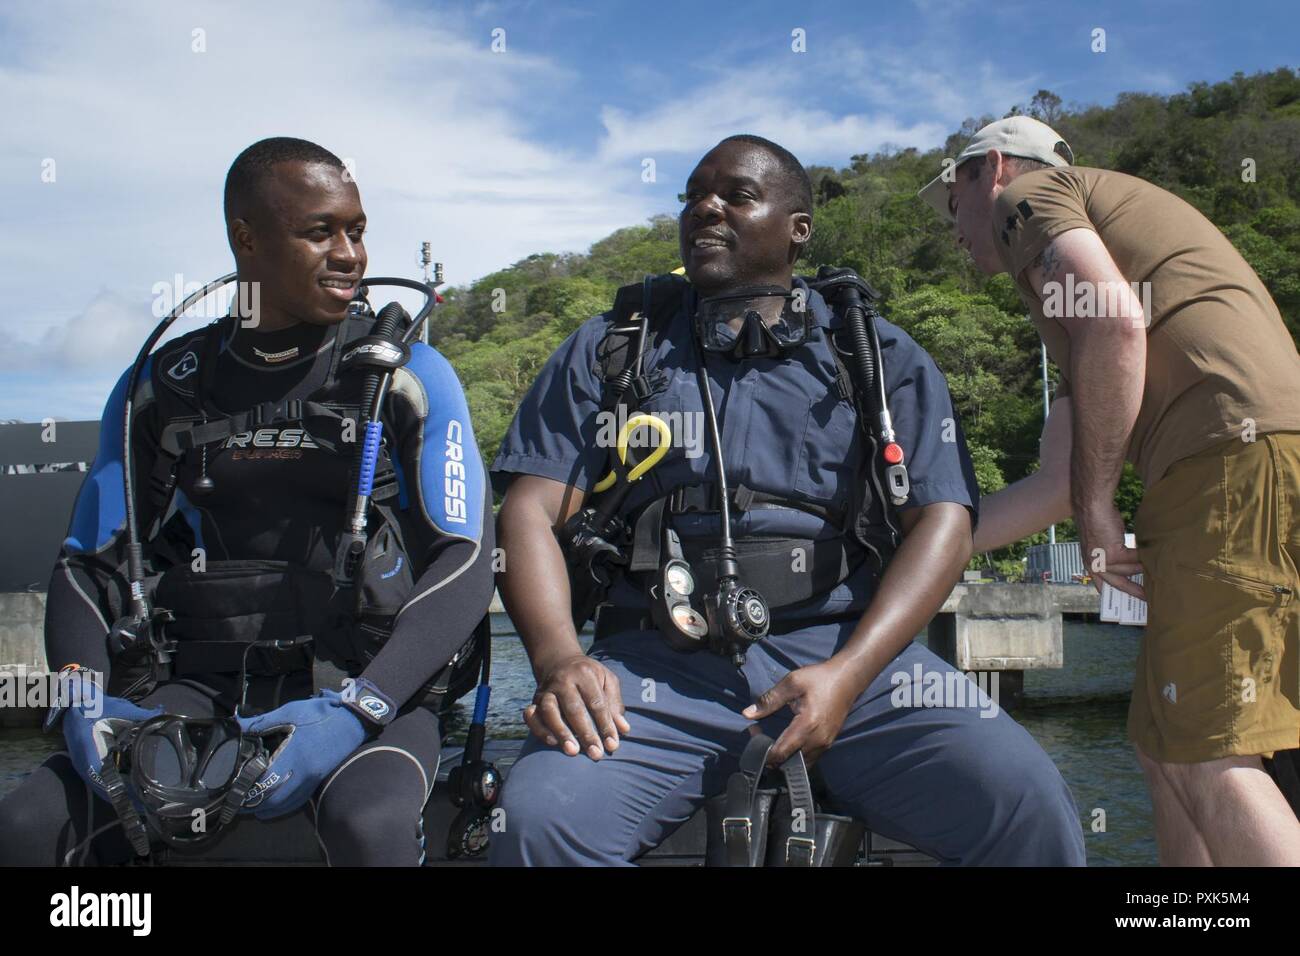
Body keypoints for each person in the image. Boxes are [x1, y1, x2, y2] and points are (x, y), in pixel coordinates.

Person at [487, 133, 1086, 866]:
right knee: (537, 820)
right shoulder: (612, 347)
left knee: (1024, 801)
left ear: (799, 227)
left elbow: (944, 521)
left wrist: (851, 673)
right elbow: (528, 511)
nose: (705, 208)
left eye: (736, 195)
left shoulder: (879, 355)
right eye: (693, 196)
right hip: (655, 665)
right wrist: (557, 658)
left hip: (850, 659)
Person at [0, 137, 495, 866]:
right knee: (32, 821)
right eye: (320, 231)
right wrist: (84, 701)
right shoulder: (164, 384)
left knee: (370, 826)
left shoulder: (407, 376)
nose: (351, 253)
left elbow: (467, 558)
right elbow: (88, 564)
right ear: (247, 237)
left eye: (357, 230)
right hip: (201, 686)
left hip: (364, 691)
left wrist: (359, 708)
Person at [919, 115, 1300, 865]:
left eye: (951, 199)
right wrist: (918, 541)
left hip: (1226, 462)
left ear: (992, 170)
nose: (952, 227)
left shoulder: (1031, 200)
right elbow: (1060, 483)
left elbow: (1117, 327)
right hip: (1252, 465)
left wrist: (1099, 514)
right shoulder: (1072, 304)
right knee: (1163, 745)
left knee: (1205, 753)